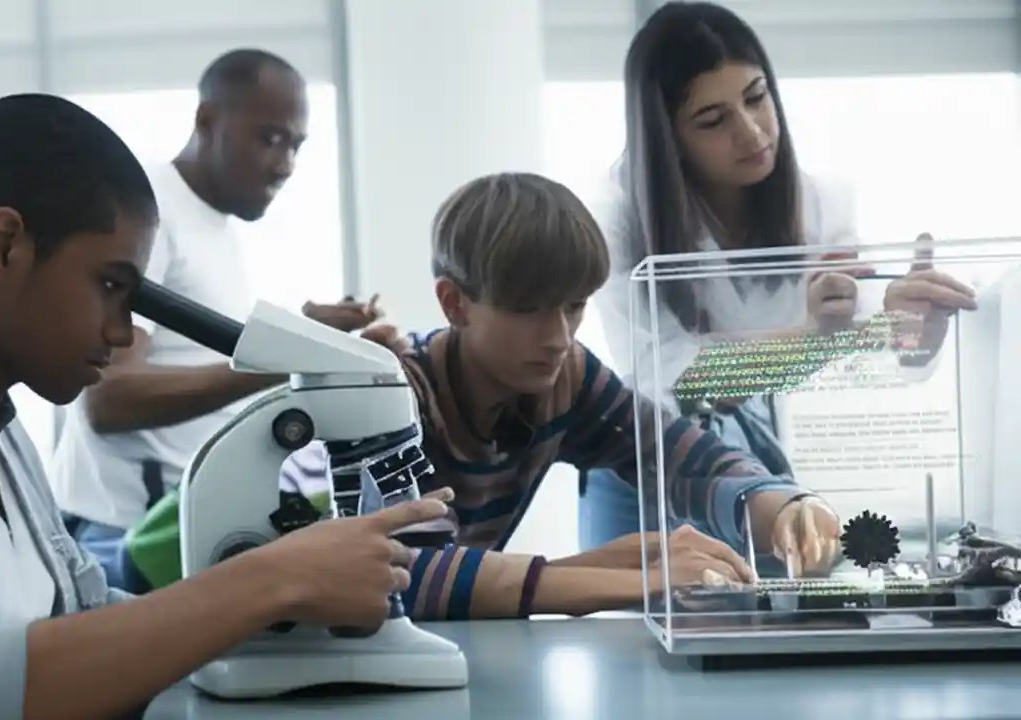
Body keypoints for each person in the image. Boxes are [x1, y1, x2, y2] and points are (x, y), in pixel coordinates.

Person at [0, 93, 448, 720]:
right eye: (111, 285)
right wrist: (271, 579)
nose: (120, 332)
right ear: (4, 246)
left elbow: (78, 611)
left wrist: (285, 616)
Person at [126, 171, 845, 619]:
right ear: (455, 303)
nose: (558, 336)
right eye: (530, 309)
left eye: (574, 306)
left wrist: (778, 503)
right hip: (186, 609)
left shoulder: (566, 377)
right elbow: (396, 577)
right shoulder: (394, 394)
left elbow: (681, 455)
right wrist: (619, 578)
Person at [579, 1, 978, 552]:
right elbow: (676, 380)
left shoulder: (822, 203)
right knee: (639, 606)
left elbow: (871, 348)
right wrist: (814, 339)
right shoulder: (615, 218)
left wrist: (912, 331)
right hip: (644, 463)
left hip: (757, 462)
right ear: (667, 138)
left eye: (756, 97)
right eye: (713, 120)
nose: (752, 133)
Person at [49, 48, 380, 590]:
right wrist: (286, 359)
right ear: (207, 121)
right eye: (269, 138)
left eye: (296, 145)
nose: (285, 164)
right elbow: (110, 398)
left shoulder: (213, 225)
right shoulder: (151, 210)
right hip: (127, 541)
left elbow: (196, 358)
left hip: (176, 531)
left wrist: (305, 331)